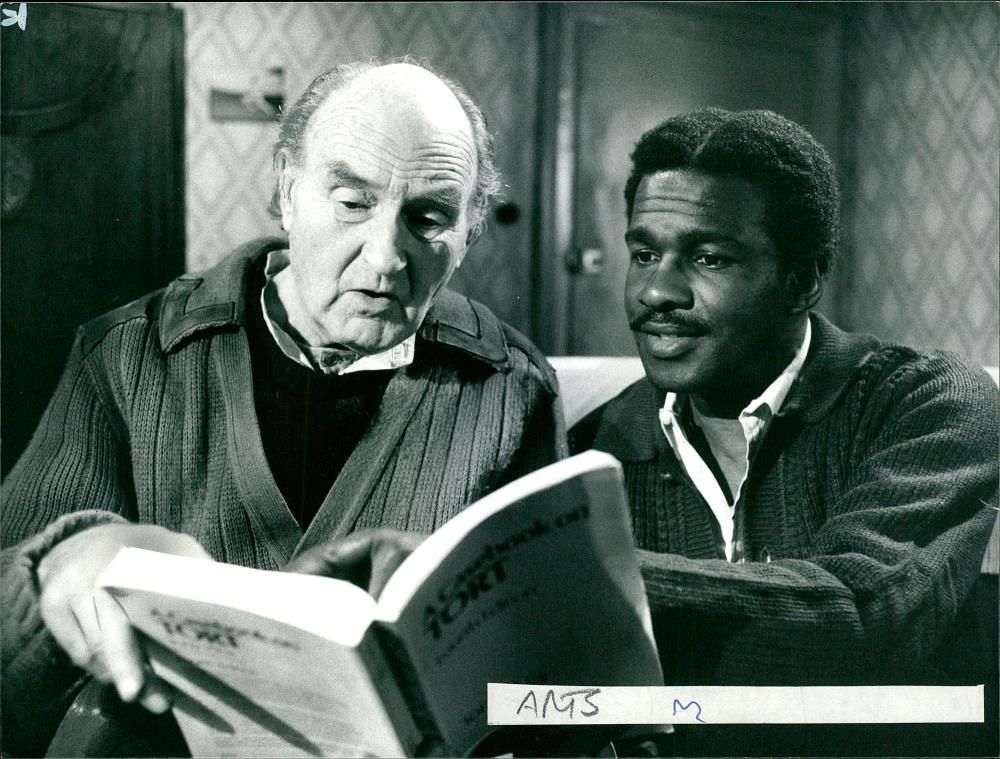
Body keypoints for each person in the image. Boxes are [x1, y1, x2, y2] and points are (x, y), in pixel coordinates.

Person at [0, 60, 565, 756]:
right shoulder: (127, 354)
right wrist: (66, 562)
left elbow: (546, 668)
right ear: (288, 191)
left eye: (428, 218)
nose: (385, 257)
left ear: (470, 232)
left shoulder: (512, 388)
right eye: (352, 202)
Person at [568, 108, 999, 755]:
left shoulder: (928, 401)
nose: (656, 291)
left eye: (708, 257)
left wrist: (577, 582)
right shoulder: (596, 446)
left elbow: (863, 618)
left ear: (802, 281)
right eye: (644, 253)